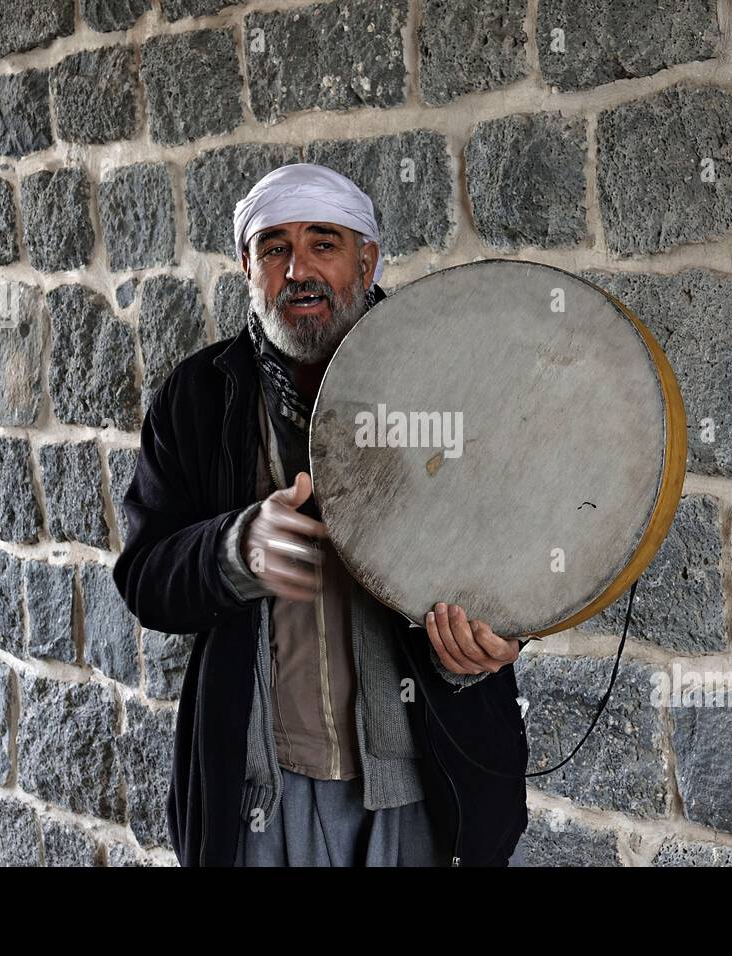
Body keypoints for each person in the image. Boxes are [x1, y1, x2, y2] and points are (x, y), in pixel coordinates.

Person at [112, 163, 530, 867]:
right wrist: (235, 549)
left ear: (367, 261)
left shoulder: (447, 384)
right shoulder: (197, 399)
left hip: (419, 788)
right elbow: (146, 578)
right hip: (260, 793)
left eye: (324, 244)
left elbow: (522, 553)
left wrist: (493, 637)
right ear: (247, 266)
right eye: (274, 248)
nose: (298, 269)